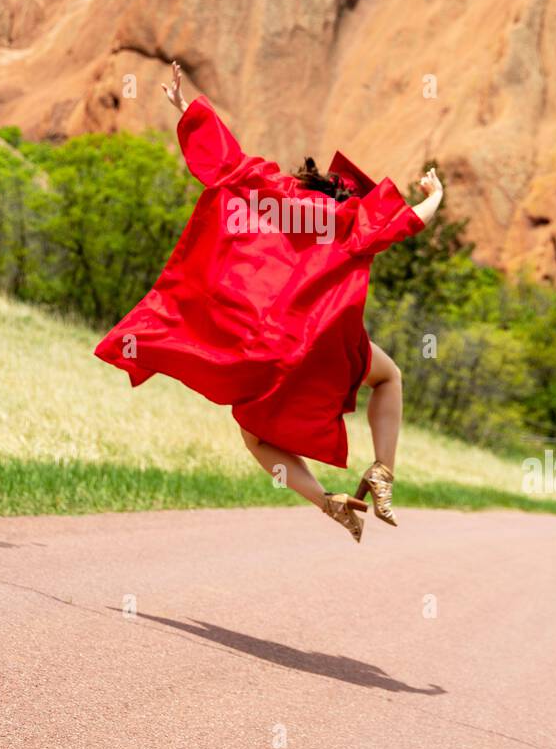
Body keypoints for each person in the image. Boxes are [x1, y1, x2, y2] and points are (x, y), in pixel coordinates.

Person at [94, 62, 444, 544]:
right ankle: (383, 470)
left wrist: (188, 109)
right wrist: (436, 196)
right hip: (320, 346)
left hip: (259, 351)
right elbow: (408, 221)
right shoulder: (348, 219)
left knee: (255, 435)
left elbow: (222, 160)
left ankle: (328, 503)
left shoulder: (266, 190)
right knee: (389, 377)